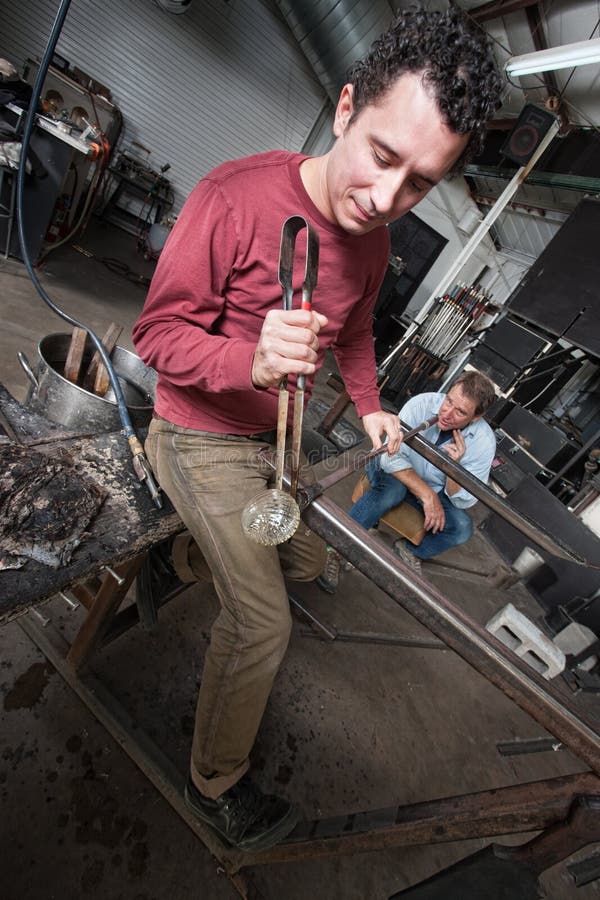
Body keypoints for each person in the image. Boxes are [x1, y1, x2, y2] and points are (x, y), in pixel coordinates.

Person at [132, 6, 503, 853]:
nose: (385, 198)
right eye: (381, 156)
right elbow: (154, 337)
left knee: (309, 558)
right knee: (265, 623)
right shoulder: (232, 195)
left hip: (276, 441)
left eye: (418, 184)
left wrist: (371, 405)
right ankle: (214, 788)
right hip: (196, 432)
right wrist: (247, 363)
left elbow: (357, 333)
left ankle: (180, 555)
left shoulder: (371, 245)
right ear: (344, 111)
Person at [316, 371, 497, 592]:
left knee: (462, 527)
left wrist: (453, 470)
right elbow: (389, 456)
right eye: (449, 401)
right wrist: (427, 495)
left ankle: (410, 551)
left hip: (434, 489)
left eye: (460, 412)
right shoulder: (421, 404)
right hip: (393, 471)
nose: (447, 413)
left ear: (476, 417)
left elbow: (464, 501)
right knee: (392, 490)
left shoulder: (484, 443)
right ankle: (334, 548)